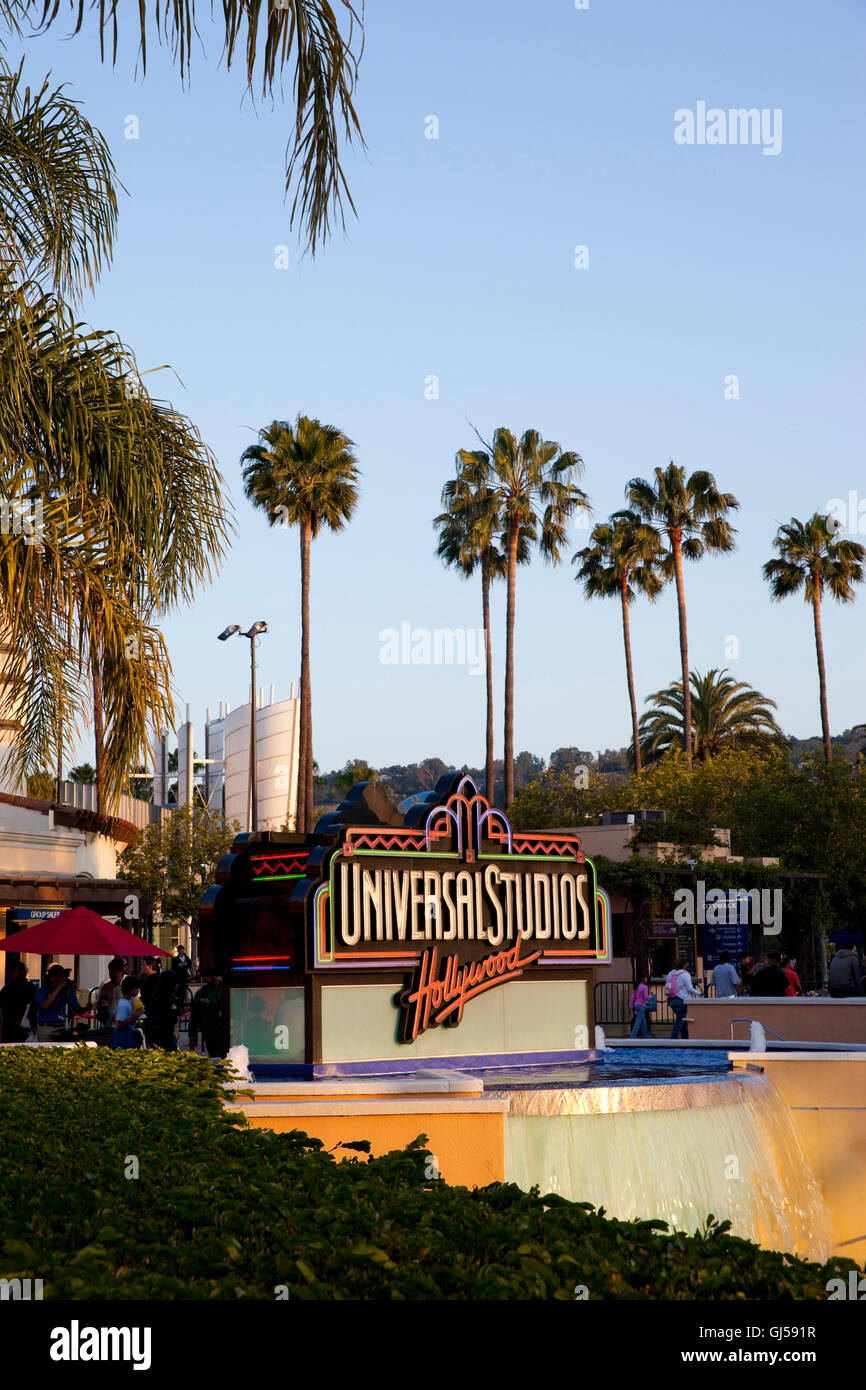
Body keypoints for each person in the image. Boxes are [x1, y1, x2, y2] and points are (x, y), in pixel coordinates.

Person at [34, 964, 85, 1042]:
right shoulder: (42, 991)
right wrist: (58, 988)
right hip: (46, 1027)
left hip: (61, 1027)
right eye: (56, 976)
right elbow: (45, 1005)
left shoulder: (67, 991)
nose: (58, 979)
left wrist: (88, 1008)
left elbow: (77, 1008)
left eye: (61, 977)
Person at [0, 961, 36, 1042]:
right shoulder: (7, 989)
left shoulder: (31, 988)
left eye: (19, 971)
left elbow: (33, 1006)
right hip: (11, 1026)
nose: (16, 973)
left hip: (25, 1026)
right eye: (15, 971)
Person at [189, 975, 224, 1058]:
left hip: (226, 1030)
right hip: (210, 1031)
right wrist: (192, 1036)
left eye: (216, 974)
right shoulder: (202, 993)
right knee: (216, 1056)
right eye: (210, 975)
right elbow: (194, 1016)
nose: (214, 977)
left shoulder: (226, 990)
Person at [666, 958, 700, 1040]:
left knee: (683, 1020)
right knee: (680, 1020)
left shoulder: (670, 973)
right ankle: (673, 1038)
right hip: (682, 1000)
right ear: (684, 965)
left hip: (671, 1000)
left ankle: (685, 1038)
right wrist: (699, 993)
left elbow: (667, 986)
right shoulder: (685, 974)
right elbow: (689, 988)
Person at [112, 977, 142, 1049]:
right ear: (130, 989)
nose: (138, 991)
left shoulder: (130, 1002)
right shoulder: (124, 1004)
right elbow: (119, 1023)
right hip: (123, 1038)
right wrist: (134, 1018)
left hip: (128, 1036)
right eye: (136, 988)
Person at [96, 958, 127, 1029]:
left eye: (115, 972)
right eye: (110, 972)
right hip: (108, 1026)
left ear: (122, 971)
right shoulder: (105, 987)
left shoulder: (129, 987)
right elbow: (98, 1006)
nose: (112, 975)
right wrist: (102, 1006)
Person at [629, 974, 651, 1038]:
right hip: (641, 1006)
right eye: (646, 978)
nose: (647, 979)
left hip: (636, 1005)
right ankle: (632, 1036)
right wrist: (651, 996)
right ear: (643, 979)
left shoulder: (636, 986)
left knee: (643, 1022)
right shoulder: (644, 987)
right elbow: (646, 997)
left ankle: (646, 1036)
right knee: (638, 1022)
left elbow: (633, 997)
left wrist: (630, 1007)